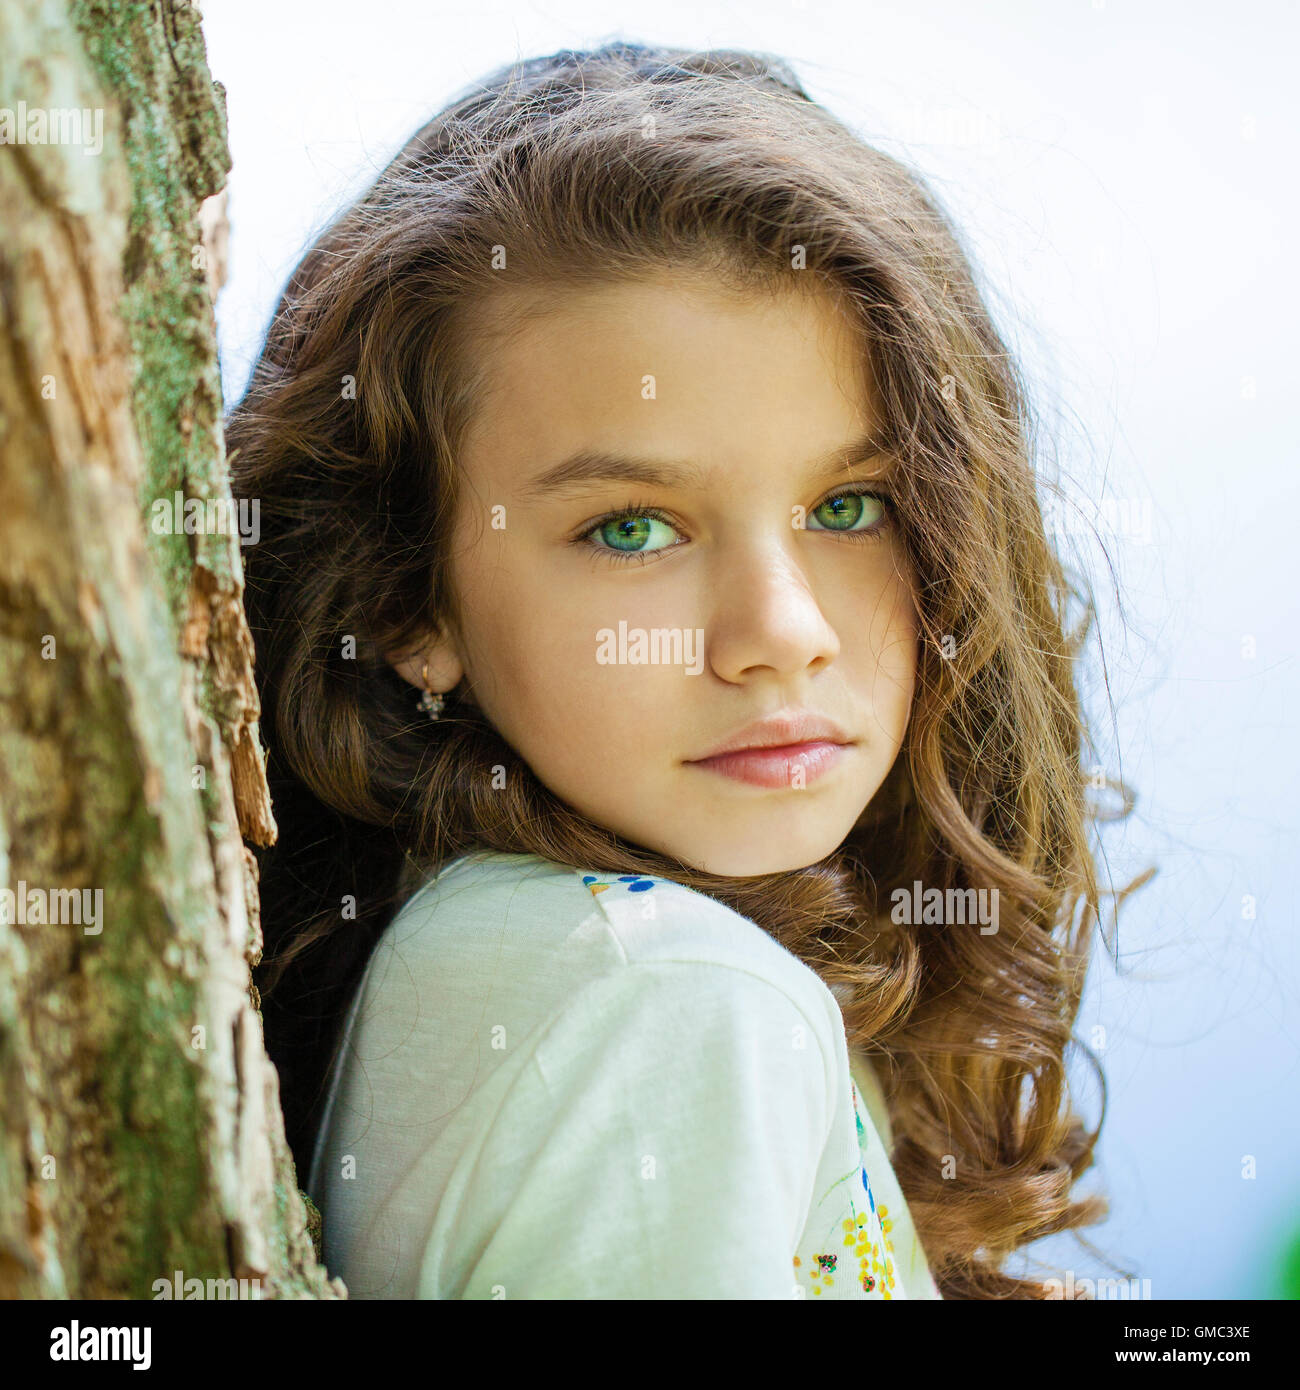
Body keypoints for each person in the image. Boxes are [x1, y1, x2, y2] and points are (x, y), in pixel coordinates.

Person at [225, 40, 1129, 1300]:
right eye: (632, 527)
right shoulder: (664, 997)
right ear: (404, 598)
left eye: (852, 505)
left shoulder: (531, 948)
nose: (781, 628)